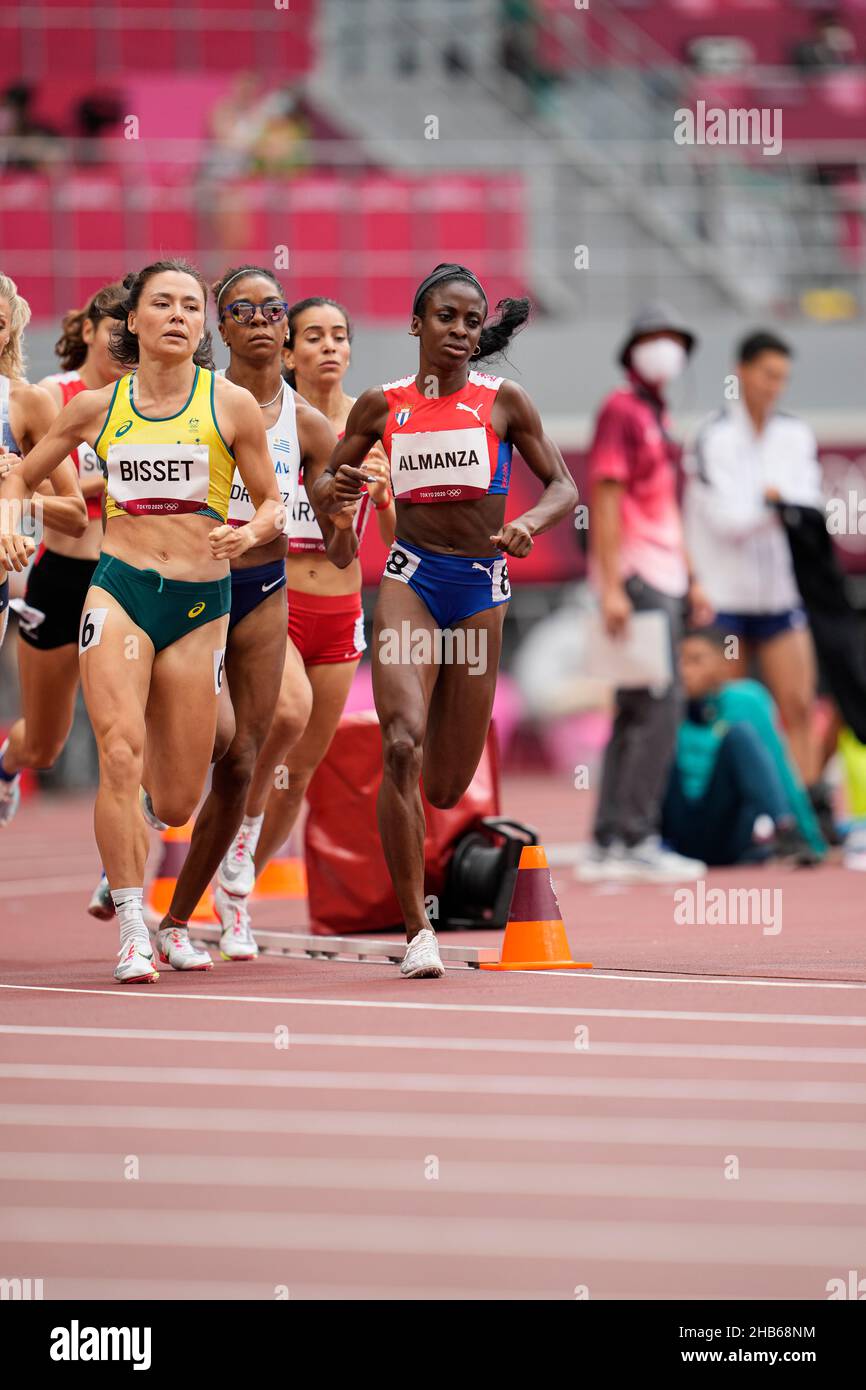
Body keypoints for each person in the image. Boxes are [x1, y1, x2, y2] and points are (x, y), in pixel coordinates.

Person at [0, 259, 285, 983]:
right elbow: (20, 471)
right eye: (163, 303)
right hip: (119, 590)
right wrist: (9, 514)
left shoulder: (231, 406)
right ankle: (132, 922)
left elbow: (273, 502)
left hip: (197, 607)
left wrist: (247, 533)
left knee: (180, 795)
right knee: (119, 755)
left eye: (191, 305)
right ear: (134, 320)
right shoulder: (98, 406)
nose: (179, 316)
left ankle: (141, 843)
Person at [316, 262, 577, 978]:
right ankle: (415, 929)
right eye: (445, 318)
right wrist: (336, 484)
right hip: (412, 581)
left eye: (470, 320)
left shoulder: (504, 401)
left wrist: (527, 522)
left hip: (480, 591)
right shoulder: (381, 405)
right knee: (400, 744)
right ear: (415, 324)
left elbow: (563, 484)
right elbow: (326, 483)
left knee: (444, 786)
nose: (459, 331)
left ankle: (425, 830)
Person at [153, 267, 355, 964]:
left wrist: (347, 507)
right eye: (247, 308)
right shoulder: (196, 400)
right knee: (205, 753)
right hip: (190, 588)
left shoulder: (308, 423)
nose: (264, 318)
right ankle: (158, 780)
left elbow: (339, 543)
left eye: (276, 308)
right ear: (224, 325)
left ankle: (185, 918)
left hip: (264, 587)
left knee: (246, 759)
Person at [215, 296, 395, 956]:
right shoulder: (269, 417)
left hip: (341, 610)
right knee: (278, 724)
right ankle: (217, 840)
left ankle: (238, 900)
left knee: (300, 771)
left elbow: (394, 545)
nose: (329, 347)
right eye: (313, 336)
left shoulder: (376, 424)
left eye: (340, 336)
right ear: (288, 352)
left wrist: (381, 497)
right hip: (275, 599)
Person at [581, 302, 712, 884]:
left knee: (636, 707)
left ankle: (611, 837)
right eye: (653, 337)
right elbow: (606, 498)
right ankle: (636, 835)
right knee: (660, 705)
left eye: (673, 337)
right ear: (633, 349)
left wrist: (694, 576)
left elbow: (666, 507)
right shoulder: (621, 409)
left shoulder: (659, 415)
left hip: (664, 573)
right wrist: (611, 586)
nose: (666, 347)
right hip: (636, 576)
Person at [683, 330, 828, 825]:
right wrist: (778, 505)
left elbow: (810, 506)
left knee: (800, 706)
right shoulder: (711, 437)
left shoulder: (797, 434)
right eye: (767, 374)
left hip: (781, 595)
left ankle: (805, 817)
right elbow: (727, 520)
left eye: (782, 378)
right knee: (736, 716)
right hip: (724, 596)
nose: (775, 386)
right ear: (741, 371)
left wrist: (775, 504)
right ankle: (749, 820)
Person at [0, 284, 125, 846]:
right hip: (62, 576)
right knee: (44, 744)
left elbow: (61, 504)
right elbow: (30, 492)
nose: (124, 337)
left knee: (126, 733)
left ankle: (116, 874)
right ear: (91, 329)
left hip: (127, 578)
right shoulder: (59, 392)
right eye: (114, 326)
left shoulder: (158, 403)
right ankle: (11, 761)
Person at [0, 271, 88, 759]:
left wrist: (19, 490)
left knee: (44, 746)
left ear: (10, 332)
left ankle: (11, 765)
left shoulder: (25, 402)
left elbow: (75, 511)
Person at [663, 628, 826, 867]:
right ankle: (627, 844)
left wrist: (811, 839)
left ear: (723, 667)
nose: (684, 671)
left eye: (695, 661)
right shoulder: (664, 706)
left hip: (726, 829)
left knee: (741, 736)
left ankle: (789, 835)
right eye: (680, 661)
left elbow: (780, 770)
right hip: (678, 828)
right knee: (650, 739)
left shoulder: (748, 700)